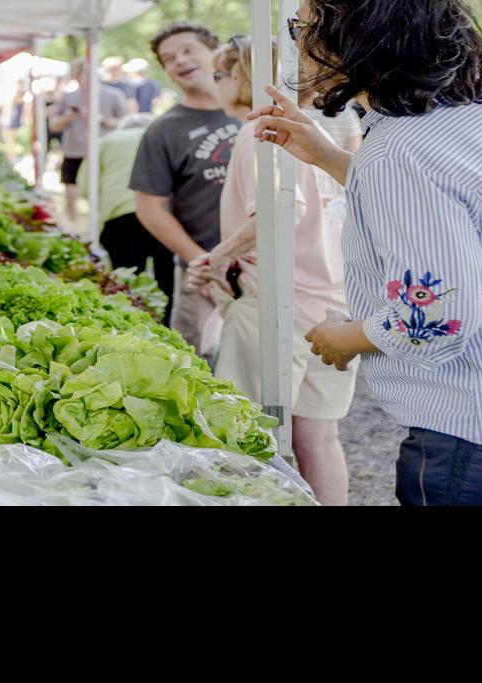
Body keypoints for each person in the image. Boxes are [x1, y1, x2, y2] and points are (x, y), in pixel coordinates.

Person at [252, 0, 482, 506]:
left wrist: (348, 337)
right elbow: (458, 212)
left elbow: (440, 314)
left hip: (475, 440)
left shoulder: (401, 150)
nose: (297, 41)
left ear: (359, 35)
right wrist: (332, 159)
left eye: (303, 27)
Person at [187, 37, 354, 506]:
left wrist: (214, 258)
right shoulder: (314, 130)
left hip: (275, 304)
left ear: (244, 76)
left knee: (248, 435)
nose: (215, 83)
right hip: (330, 304)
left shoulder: (258, 131)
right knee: (320, 439)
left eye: (221, 73)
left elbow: (280, 214)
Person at [128, 21, 240, 351]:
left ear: (215, 51)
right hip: (203, 274)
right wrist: (201, 261)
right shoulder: (163, 131)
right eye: (169, 58)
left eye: (188, 50)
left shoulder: (250, 109)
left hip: (269, 265)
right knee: (203, 367)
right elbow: (148, 208)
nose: (180, 61)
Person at [77, 112, 169, 292]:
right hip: (164, 217)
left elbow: (86, 187)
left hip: (119, 217)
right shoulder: (163, 138)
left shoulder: (106, 142)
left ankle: (134, 315)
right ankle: (165, 319)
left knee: (126, 282)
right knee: (165, 279)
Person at [50, 63, 130, 219]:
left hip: (103, 151)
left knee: (101, 192)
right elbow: (54, 126)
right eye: (79, 74)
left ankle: (97, 225)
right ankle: (71, 226)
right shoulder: (68, 97)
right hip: (74, 151)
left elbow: (125, 122)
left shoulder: (113, 94)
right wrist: (68, 117)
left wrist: (103, 120)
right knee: (70, 195)